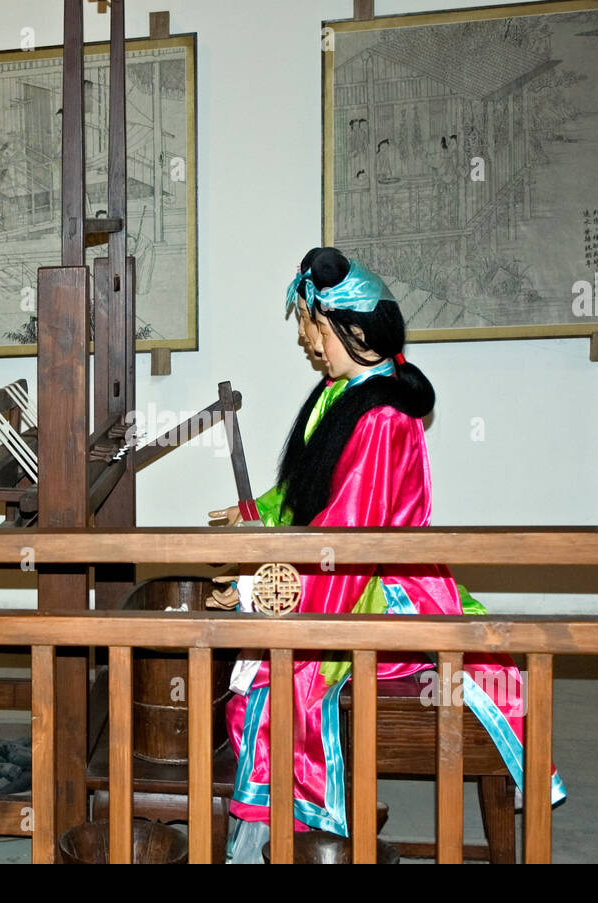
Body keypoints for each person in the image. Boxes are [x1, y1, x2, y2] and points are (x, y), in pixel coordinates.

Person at [210, 247, 564, 863]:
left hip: (378, 587)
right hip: (346, 570)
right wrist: (253, 516)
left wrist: (260, 591)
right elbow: (307, 494)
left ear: (353, 331)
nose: (304, 339)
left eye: (311, 325)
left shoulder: (380, 418)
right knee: (252, 664)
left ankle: (307, 837)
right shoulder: (338, 395)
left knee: (267, 684)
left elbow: (348, 537)